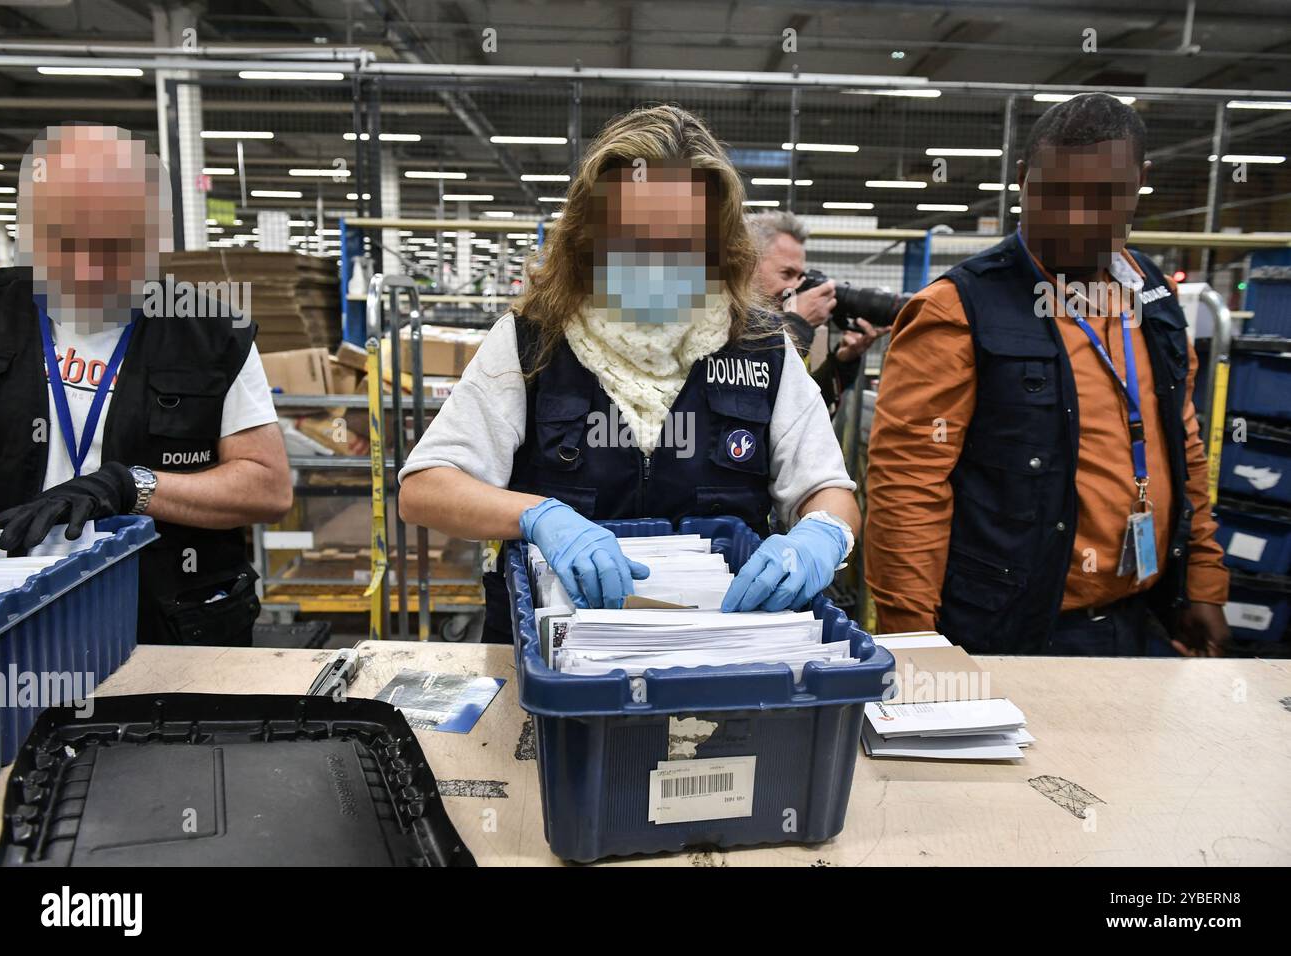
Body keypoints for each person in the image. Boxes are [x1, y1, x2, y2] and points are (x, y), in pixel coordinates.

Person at [399, 105, 860, 643]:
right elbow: (426, 488)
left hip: (722, 657)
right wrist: (538, 516)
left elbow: (828, 489)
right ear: (590, 236)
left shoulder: (761, 348)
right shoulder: (534, 340)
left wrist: (820, 536)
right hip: (552, 665)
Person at [864, 92, 1230, 657]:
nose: (1075, 218)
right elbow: (909, 487)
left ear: (1138, 184)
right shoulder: (958, 308)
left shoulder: (1153, 296)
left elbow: (1183, 445)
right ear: (1021, 178)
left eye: (1103, 197)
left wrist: (1203, 579)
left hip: (1143, 616)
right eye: (1054, 193)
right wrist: (911, 640)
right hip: (1014, 631)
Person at [0, 125, 292, 645]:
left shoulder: (209, 331)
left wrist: (132, 487)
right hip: (8, 622)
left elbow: (267, 487)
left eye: (113, 246)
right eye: (65, 242)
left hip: (166, 625)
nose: (87, 268)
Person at [747, 210, 887, 409]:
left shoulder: (788, 328)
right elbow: (750, 393)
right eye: (787, 274)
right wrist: (798, 324)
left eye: (800, 276)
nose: (796, 287)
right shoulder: (720, 324)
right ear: (746, 266)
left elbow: (796, 410)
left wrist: (841, 363)